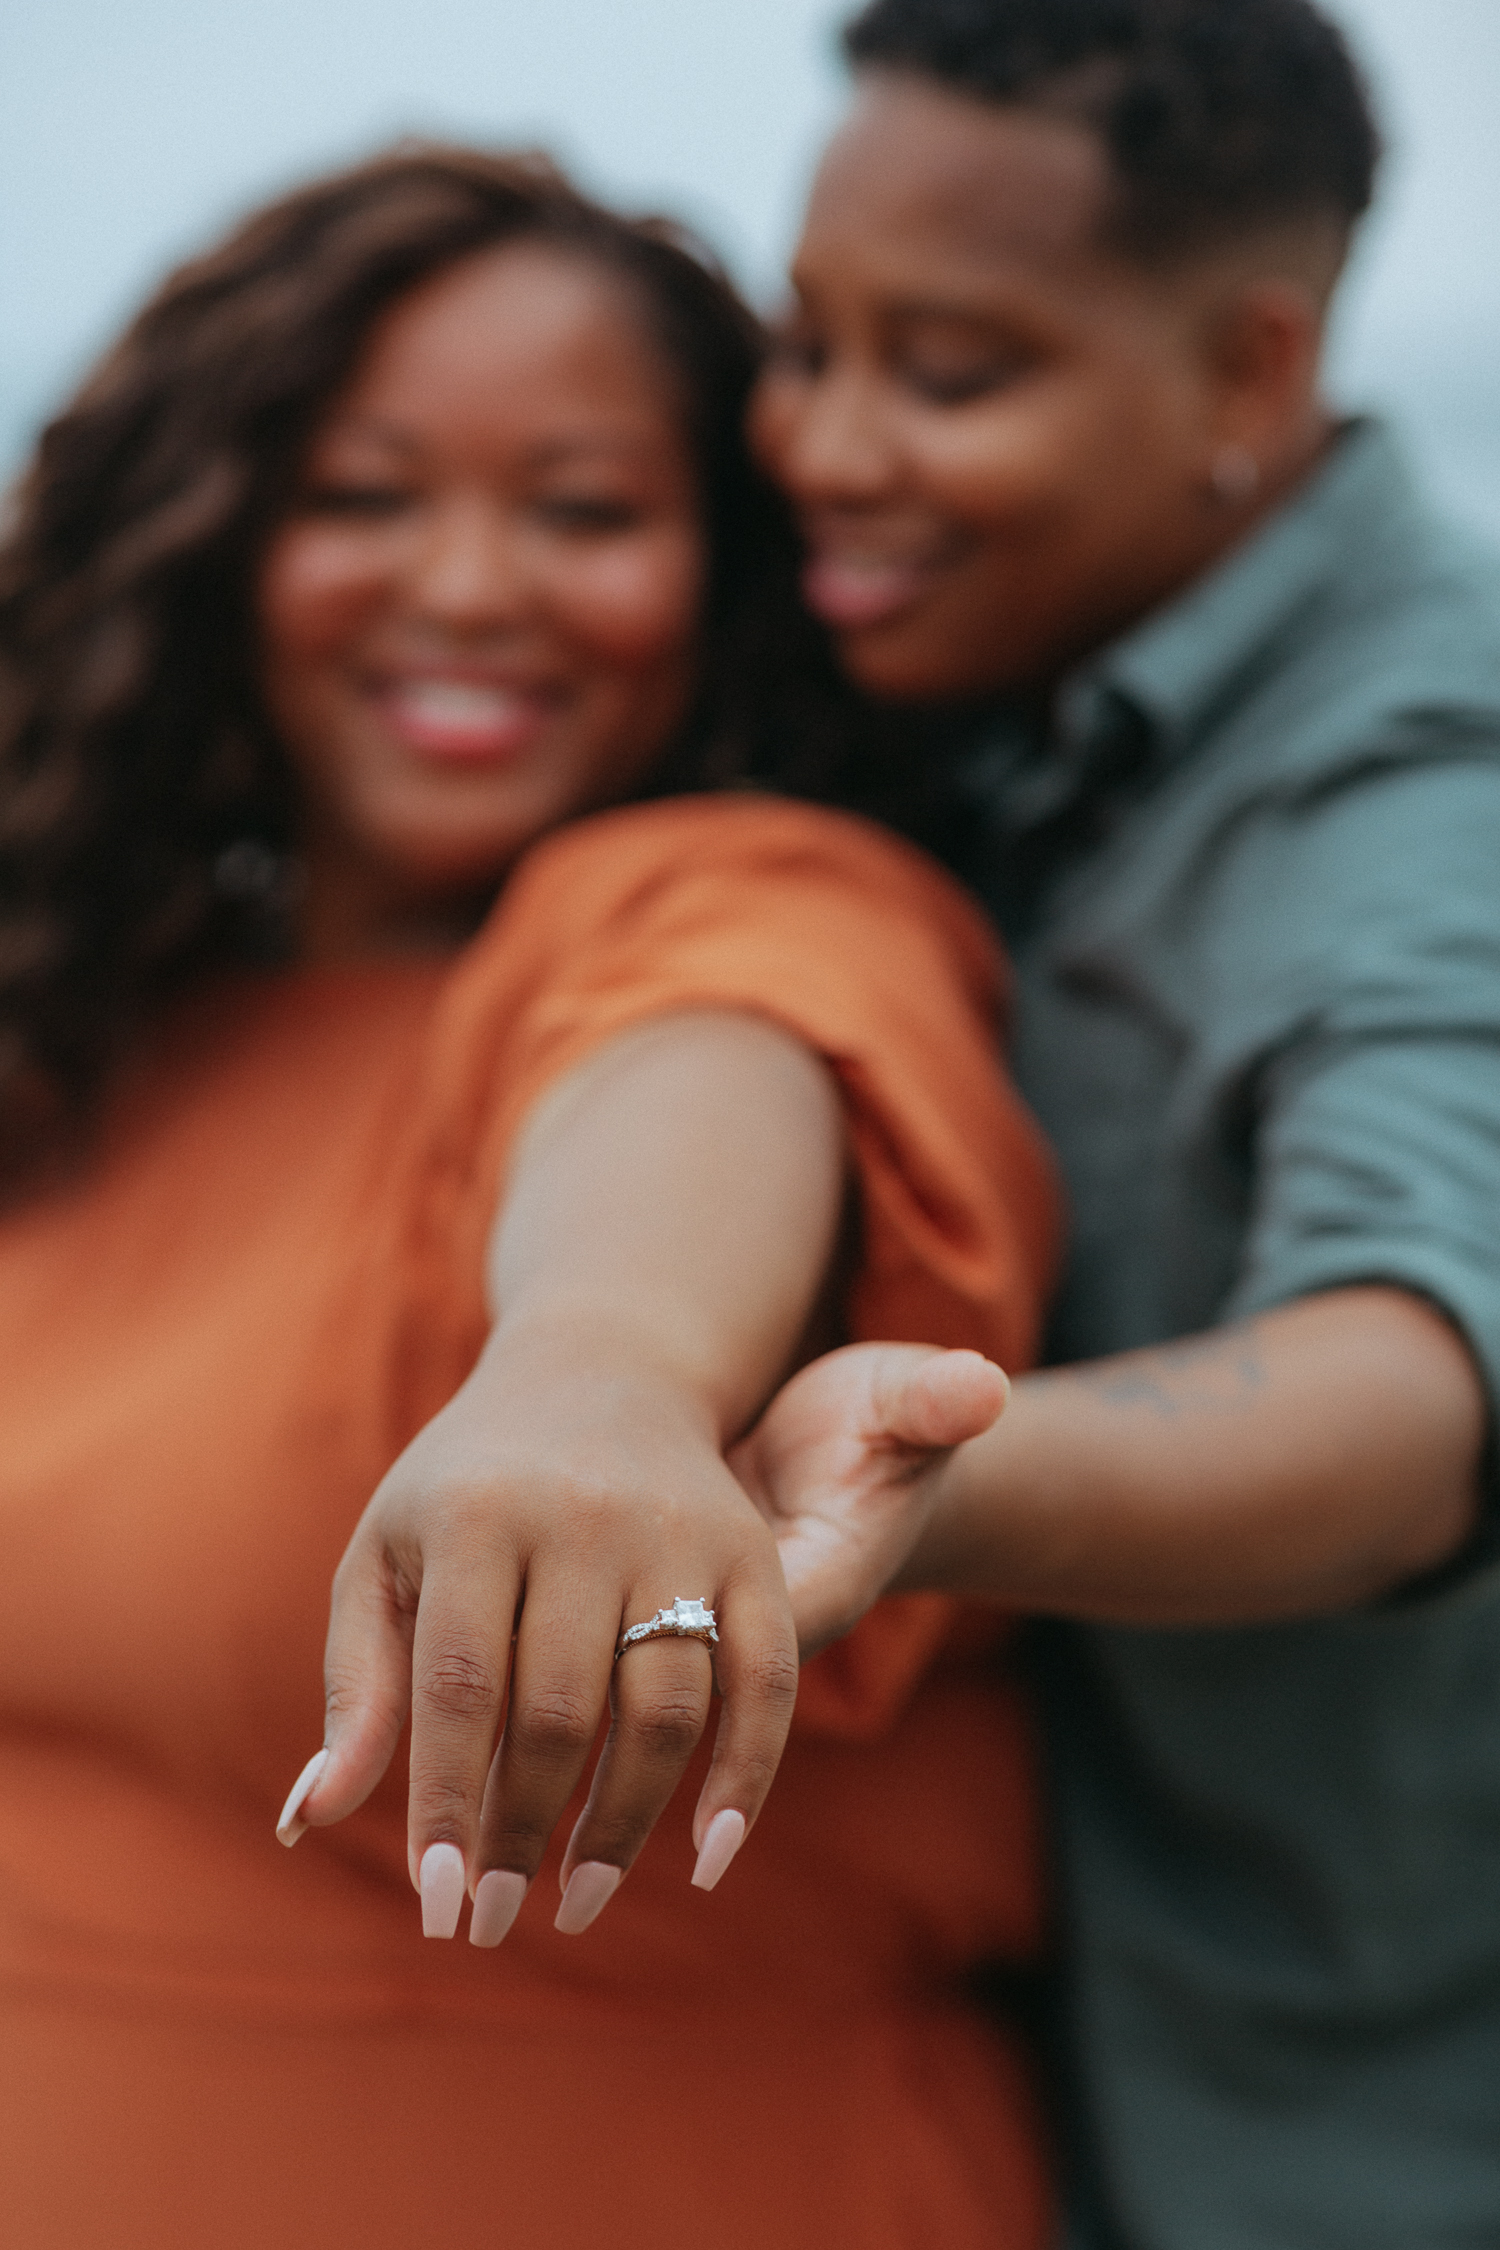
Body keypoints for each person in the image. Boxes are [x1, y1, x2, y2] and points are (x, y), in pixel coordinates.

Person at [0, 148, 1061, 2249]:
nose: (471, 585)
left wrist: (602, 1369)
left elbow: (703, 1054)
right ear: (209, 537)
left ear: (726, 570)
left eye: (584, 510)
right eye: (363, 495)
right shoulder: (97, 1032)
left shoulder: (721, 899)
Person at [738, 2, 1500, 2244]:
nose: (830, 447)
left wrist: (925, 1473)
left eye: (951, 374)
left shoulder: (1419, 789)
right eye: (806, 343)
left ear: (1249, 375)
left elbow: (1414, 1379)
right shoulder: (1015, 665)